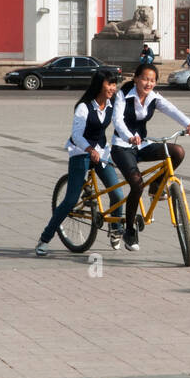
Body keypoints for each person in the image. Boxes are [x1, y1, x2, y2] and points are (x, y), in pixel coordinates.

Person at [35, 68, 130, 256]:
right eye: (109, 84)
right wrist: (89, 150)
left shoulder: (112, 104)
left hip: (102, 151)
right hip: (81, 151)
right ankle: (45, 238)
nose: (112, 87)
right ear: (98, 85)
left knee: (118, 194)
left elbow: (119, 124)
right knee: (70, 200)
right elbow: (77, 135)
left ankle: (116, 229)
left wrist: (130, 138)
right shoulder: (84, 107)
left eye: (114, 84)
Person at [110, 63, 190, 252]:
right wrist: (129, 136)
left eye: (152, 80)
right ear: (136, 79)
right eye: (144, 79)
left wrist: (189, 123)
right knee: (136, 184)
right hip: (122, 146)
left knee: (177, 152)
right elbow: (117, 120)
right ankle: (130, 229)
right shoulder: (123, 95)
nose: (148, 83)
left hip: (143, 144)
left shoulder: (153, 98)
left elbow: (172, 109)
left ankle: (156, 185)